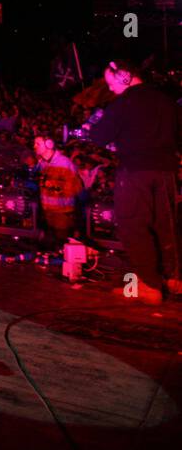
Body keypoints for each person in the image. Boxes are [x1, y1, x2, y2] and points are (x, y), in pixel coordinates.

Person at [82, 59, 182, 304]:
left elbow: (97, 138)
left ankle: (149, 285)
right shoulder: (167, 102)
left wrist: (91, 123)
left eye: (111, 82)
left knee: (134, 225)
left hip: (135, 172)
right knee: (166, 225)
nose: (111, 88)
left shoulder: (122, 104)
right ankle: (174, 279)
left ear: (125, 76)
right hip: (166, 172)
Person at [32, 134, 82, 241]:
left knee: (62, 244)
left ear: (49, 145)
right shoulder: (43, 164)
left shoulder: (64, 163)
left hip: (62, 215)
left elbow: (76, 188)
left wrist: (55, 185)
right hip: (47, 212)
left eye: (38, 144)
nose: (34, 146)